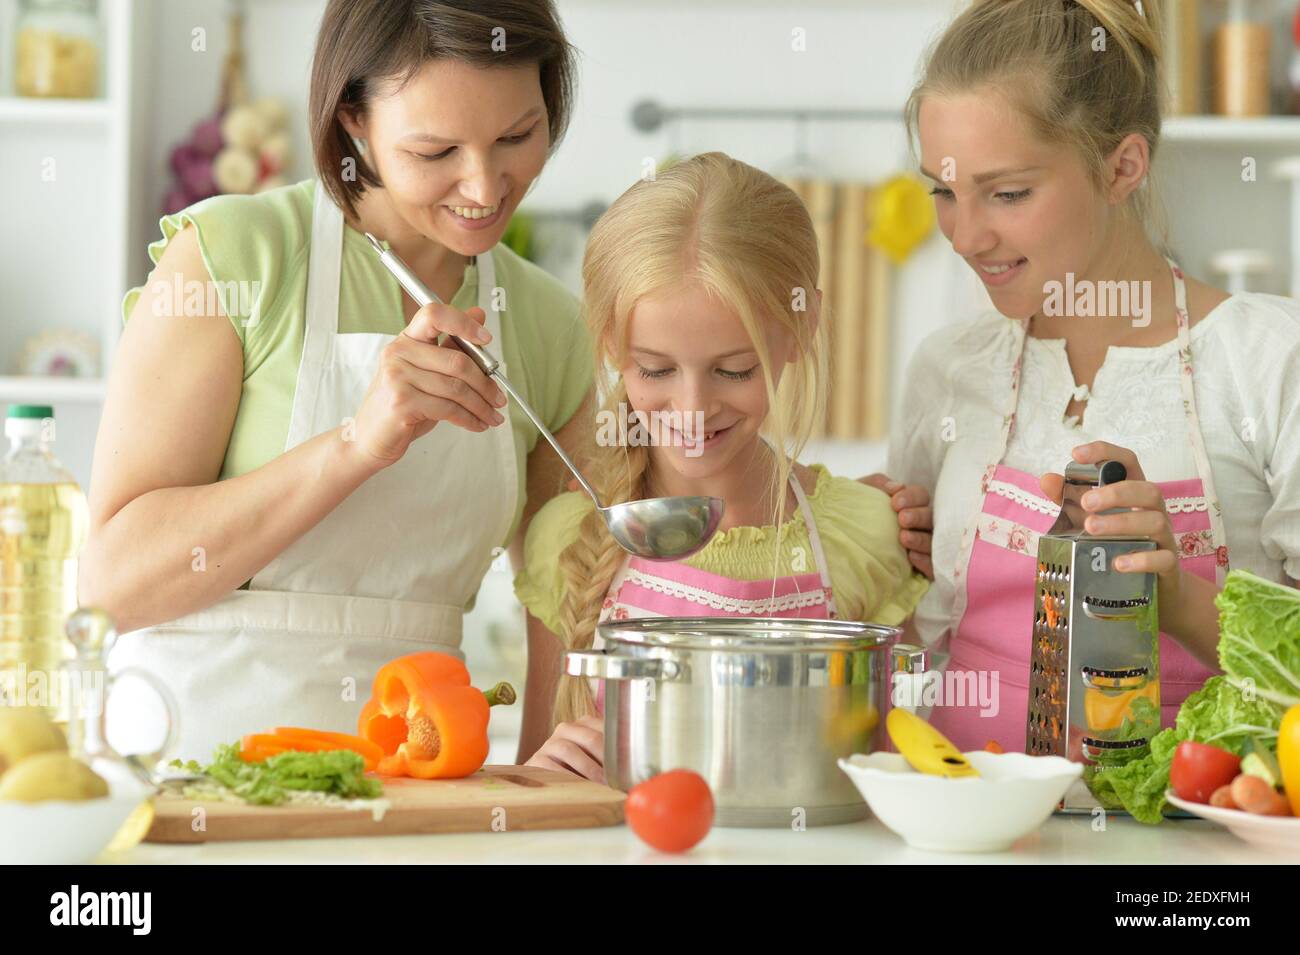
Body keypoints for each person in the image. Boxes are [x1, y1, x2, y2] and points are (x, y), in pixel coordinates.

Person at [81, 0, 592, 760]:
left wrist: (544, 773)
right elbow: (110, 586)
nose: (485, 185)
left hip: (422, 796)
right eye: (435, 151)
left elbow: (565, 594)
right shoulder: (233, 259)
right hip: (190, 779)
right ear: (353, 118)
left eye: (517, 135)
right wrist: (355, 445)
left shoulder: (549, 324)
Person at [889, 0, 1300, 752]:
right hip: (962, 823)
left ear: (1123, 166)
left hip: (1191, 840)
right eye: (944, 192)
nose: (966, 235)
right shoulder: (948, 369)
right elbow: (917, 640)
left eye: (1007, 193)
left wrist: (1175, 596)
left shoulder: (1270, 360)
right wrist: (869, 549)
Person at [514, 153, 930, 780]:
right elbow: (528, 784)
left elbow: (899, 773)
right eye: (654, 369)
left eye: (734, 370)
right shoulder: (569, 537)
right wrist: (543, 778)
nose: (692, 408)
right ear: (608, 344)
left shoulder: (870, 534)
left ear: (800, 328)